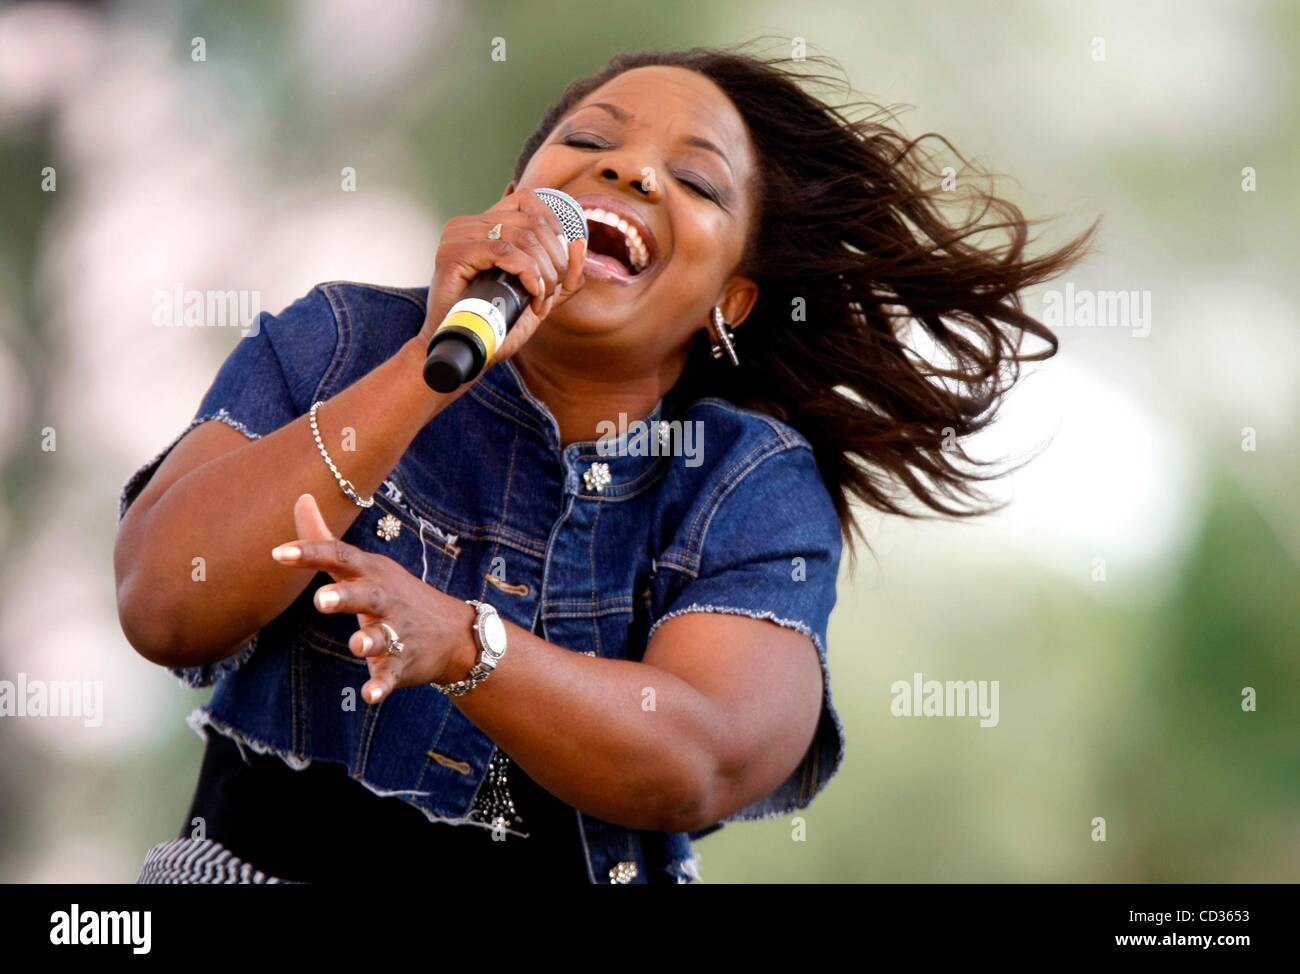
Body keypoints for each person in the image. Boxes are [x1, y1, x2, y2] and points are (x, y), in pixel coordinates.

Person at [114, 45, 1094, 884]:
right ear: (513, 201)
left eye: (698, 181)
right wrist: (426, 366)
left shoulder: (741, 481)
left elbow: (702, 755)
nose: (627, 172)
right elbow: (164, 599)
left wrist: (465, 645)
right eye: (588, 143)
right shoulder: (339, 340)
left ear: (733, 300)